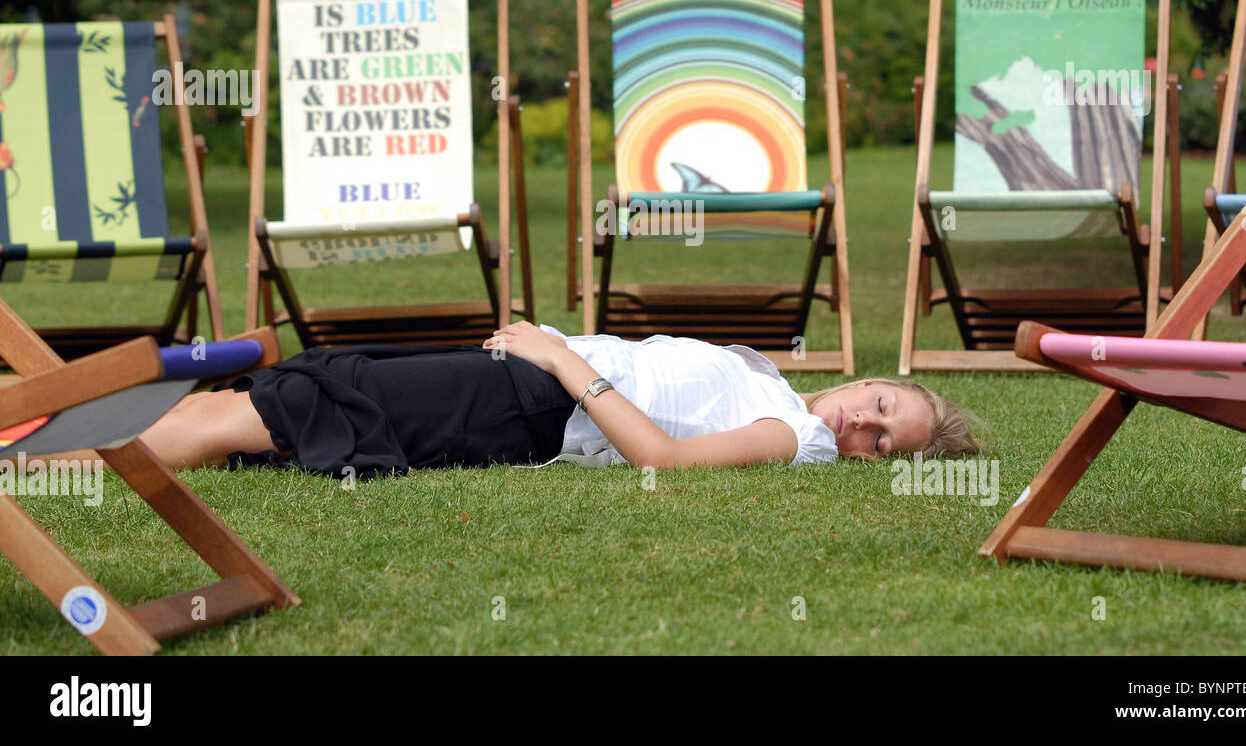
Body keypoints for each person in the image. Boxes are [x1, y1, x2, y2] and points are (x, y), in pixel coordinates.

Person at [58, 322, 980, 478]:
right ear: (871, 380)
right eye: (883, 403)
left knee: (236, 418)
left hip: (526, 400)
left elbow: (661, 459)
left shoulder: (795, 437)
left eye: (882, 444)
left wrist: (557, 357)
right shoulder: (774, 383)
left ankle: (39, 466)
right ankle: (50, 445)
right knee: (267, 411)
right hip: (518, 380)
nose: (862, 422)